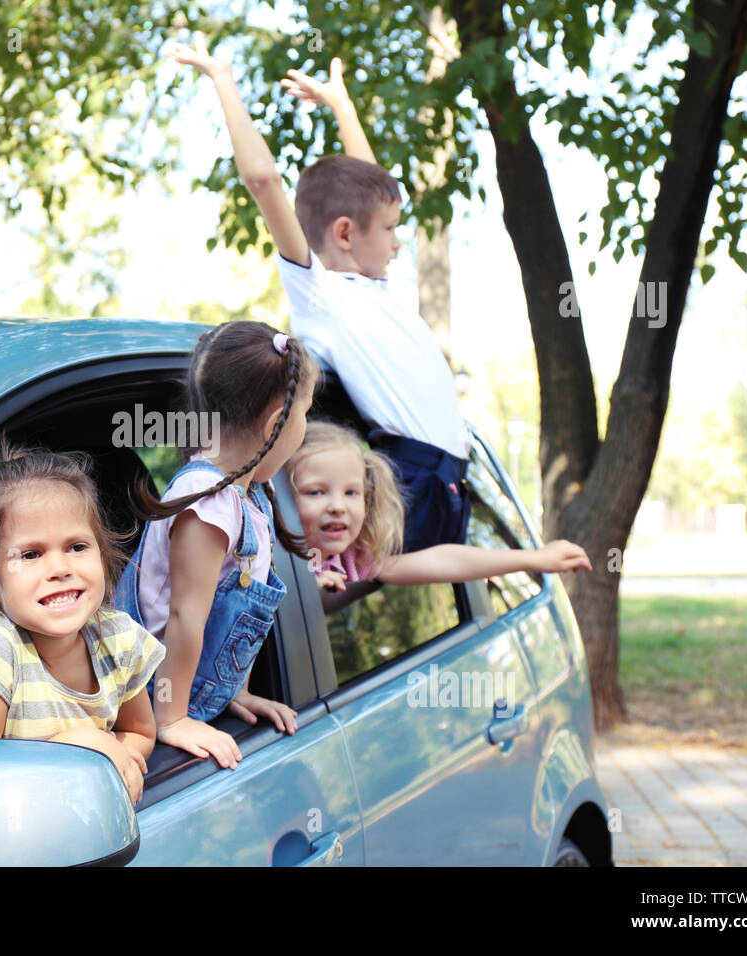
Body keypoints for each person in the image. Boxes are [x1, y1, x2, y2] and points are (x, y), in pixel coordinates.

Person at [165, 39, 470, 553]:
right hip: (412, 481)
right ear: (346, 235)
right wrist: (223, 81)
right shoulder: (320, 295)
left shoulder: (374, 286)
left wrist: (343, 109)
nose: (399, 240)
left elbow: (373, 190)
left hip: (451, 482)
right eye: (393, 229)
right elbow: (263, 180)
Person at [115, 321, 318, 770]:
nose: (305, 425)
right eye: (305, 412)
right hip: (150, 700)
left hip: (198, 696)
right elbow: (184, 617)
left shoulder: (248, 497)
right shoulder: (209, 502)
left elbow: (227, 617)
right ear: (274, 424)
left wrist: (234, 690)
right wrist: (172, 718)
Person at [0, 441, 165, 804]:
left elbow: (139, 733)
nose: (60, 569)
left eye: (77, 547)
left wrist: (112, 753)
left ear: (103, 555)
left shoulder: (119, 638)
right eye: (31, 554)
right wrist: (83, 746)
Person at [288, 420, 591, 593]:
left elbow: (445, 561)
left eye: (351, 493)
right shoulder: (266, 557)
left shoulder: (356, 557)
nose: (338, 506)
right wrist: (307, 586)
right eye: (316, 493)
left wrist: (534, 559)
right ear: (282, 499)